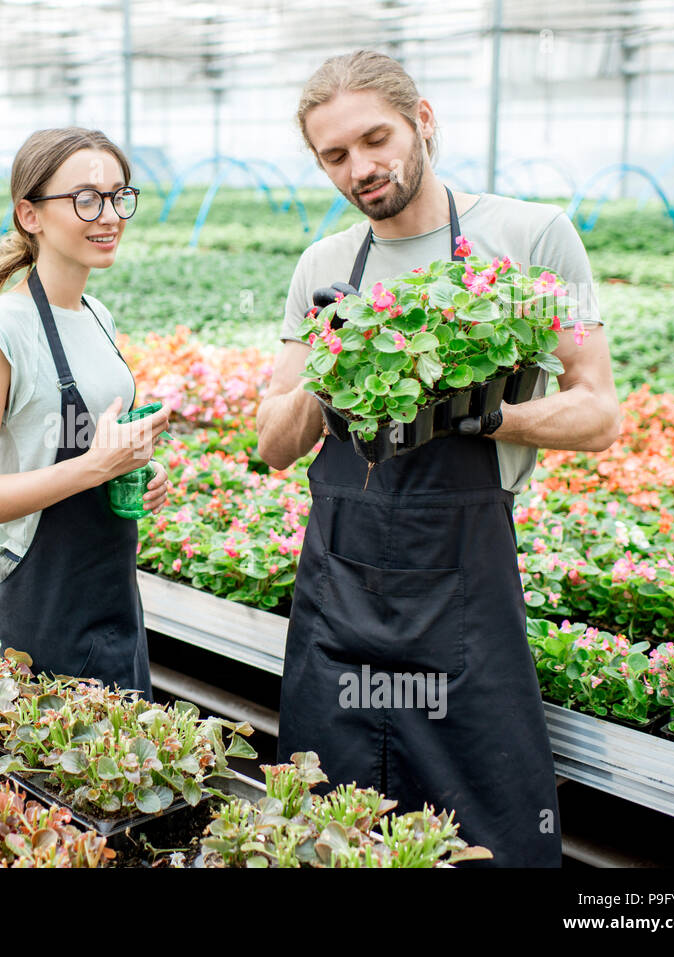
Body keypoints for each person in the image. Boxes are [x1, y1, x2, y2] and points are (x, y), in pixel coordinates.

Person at [256, 51, 622, 867]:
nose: (361, 168)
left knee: (484, 827)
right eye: (335, 156)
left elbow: (599, 411)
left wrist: (486, 415)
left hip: (461, 585)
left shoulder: (526, 239)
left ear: (422, 118)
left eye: (374, 139)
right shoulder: (324, 267)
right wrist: (331, 360)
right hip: (341, 584)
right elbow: (272, 445)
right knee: (328, 824)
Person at [0, 127, 171, 699]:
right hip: (46, 603)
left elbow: (84, 443)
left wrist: (134, 470)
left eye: (119, 196)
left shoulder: (97, 314)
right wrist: (94, 467)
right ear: (30, 214)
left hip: (115, 589)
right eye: (85, 198)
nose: (109, 215)